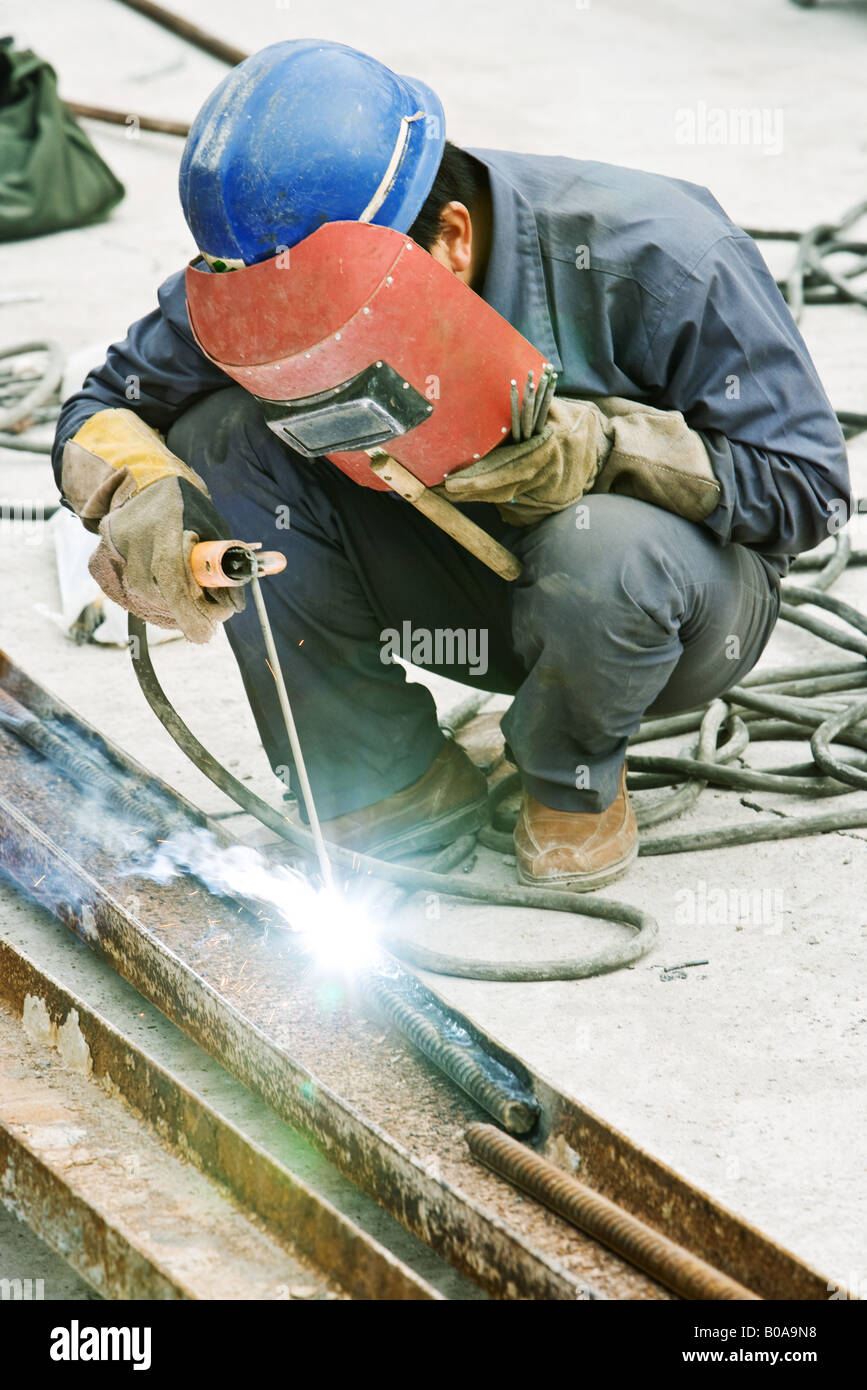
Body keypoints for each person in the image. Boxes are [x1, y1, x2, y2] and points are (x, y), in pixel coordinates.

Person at [53, 39, 850, 892]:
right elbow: (104, 408)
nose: (305, 341)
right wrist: (135, 493)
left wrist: (607, 451)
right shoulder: (263, 272)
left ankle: (569, 777)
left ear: (452, 240)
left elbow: (808, 490)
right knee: (218, 436)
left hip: (656, 614)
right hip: (445, 578)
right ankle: (381, 782)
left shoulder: (660, 254)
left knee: (601, 541)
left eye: (335, 316)